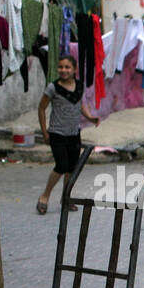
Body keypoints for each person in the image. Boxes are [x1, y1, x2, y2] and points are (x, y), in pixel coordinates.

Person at [35, 56, 99, 214]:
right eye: (61, 67)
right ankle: (45, 196)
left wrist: (90, 117)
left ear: (75, 70)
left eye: (67, 67)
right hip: (57, 133)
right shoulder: (53, 88)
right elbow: (41, 108)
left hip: (74, 134)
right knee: (61, 166)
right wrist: (45, 131)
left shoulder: (79, 86)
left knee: (71, 168)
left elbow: (80, 103)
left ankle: (66, 198)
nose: (63, 70)